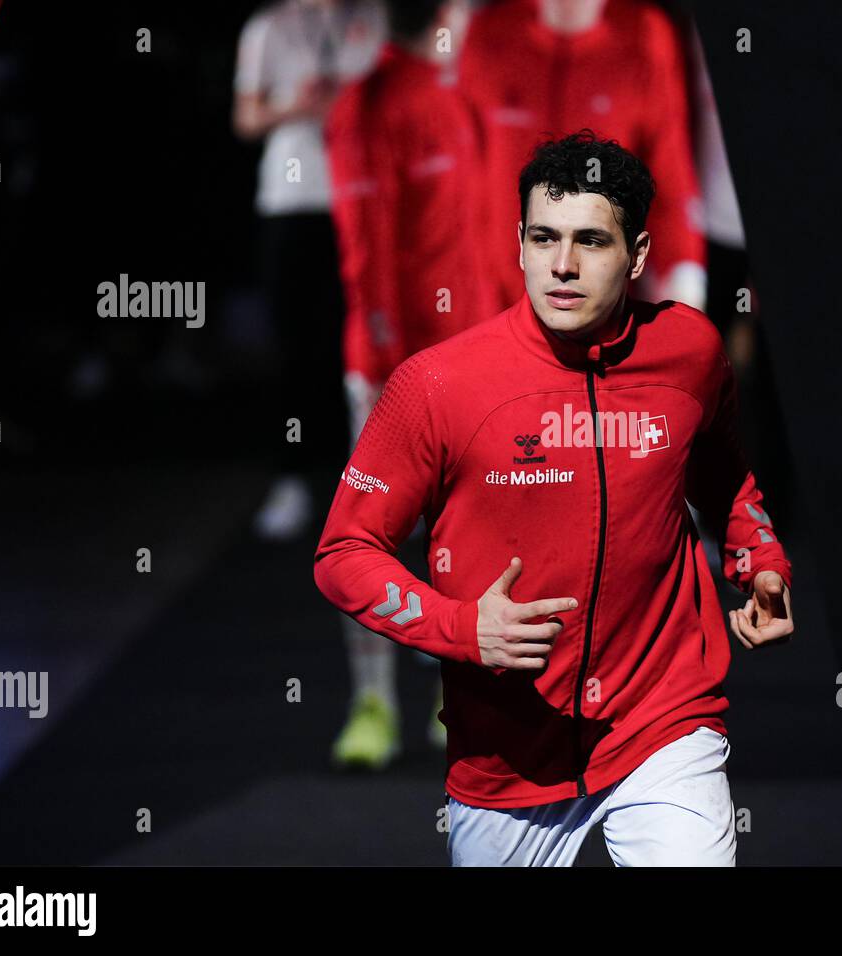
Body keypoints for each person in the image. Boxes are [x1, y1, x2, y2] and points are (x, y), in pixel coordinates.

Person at [314, 130, 793, 866]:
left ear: (637, 255)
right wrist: (462, 627)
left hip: (662, 719)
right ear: (519, 243)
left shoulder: (691, 353)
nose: (562, 266)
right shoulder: (438, 385)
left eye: (591, 242)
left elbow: (722, 477)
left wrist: (757, 557)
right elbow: (344, 552)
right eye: (544, 237)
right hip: (507, 760)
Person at [322, 0, 488, 768]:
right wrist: (386, 363)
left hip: (476, 360)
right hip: (392, 371)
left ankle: (455, 695)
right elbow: (366, 249)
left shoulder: (459, 94)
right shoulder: (368, 106)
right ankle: (373, 702)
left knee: (474, 537)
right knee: (368, 541)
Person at [233, 0, 386, 540]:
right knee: (295, 348)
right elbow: (246, 117)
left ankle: (377, 488)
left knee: (368, 344)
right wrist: (298, 106)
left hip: (366, 198)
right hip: (294, 202)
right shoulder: (270, 27)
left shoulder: (376, 19)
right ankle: (292, 479)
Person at [460, 0, 708, 315]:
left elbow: (670, 175)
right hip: (495, 300)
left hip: (598, 304)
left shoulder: (646, 36)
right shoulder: (484, 33)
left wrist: (684, 281)